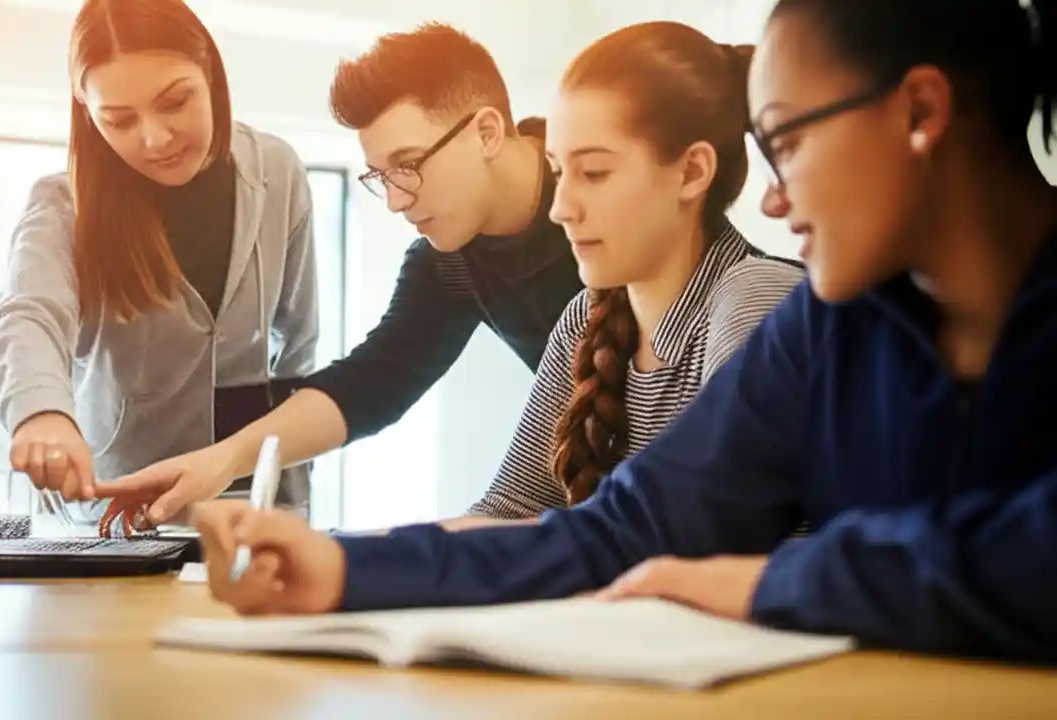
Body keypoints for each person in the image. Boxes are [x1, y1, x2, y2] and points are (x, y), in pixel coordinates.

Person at [194, 0, 1057, 663]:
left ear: (920, 112)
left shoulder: (762, 300)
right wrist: (345, 571)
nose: (775, 199)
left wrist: (772, 582)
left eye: (787, 143)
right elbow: (622, 528)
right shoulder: (823, 332)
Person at [95, 24, 584, 526]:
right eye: (380, 177)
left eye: (409, 164)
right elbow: (372, 382)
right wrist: (222, 461)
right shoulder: (446, 261)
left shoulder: (605, 209)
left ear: (486, 132)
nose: (396, 201)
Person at [449, 27, 801, 527]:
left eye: (593, 173)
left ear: (692, 172)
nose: (561, 209)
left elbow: (705, 532)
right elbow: (506, 513)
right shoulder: (585, 320)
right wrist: (347, 557)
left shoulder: (755, 297)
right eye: (558, 172)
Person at [0, 0, 318, 520]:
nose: (155, 138)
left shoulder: (279, 169)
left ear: (209, 70)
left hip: (259, 508)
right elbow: (28, 316)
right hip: (123, 514)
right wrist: (42, 414)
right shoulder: (62, 204)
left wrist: (294, 486)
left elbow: (297, 343)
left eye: (176, 101)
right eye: (118, 120)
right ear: (87, 112)